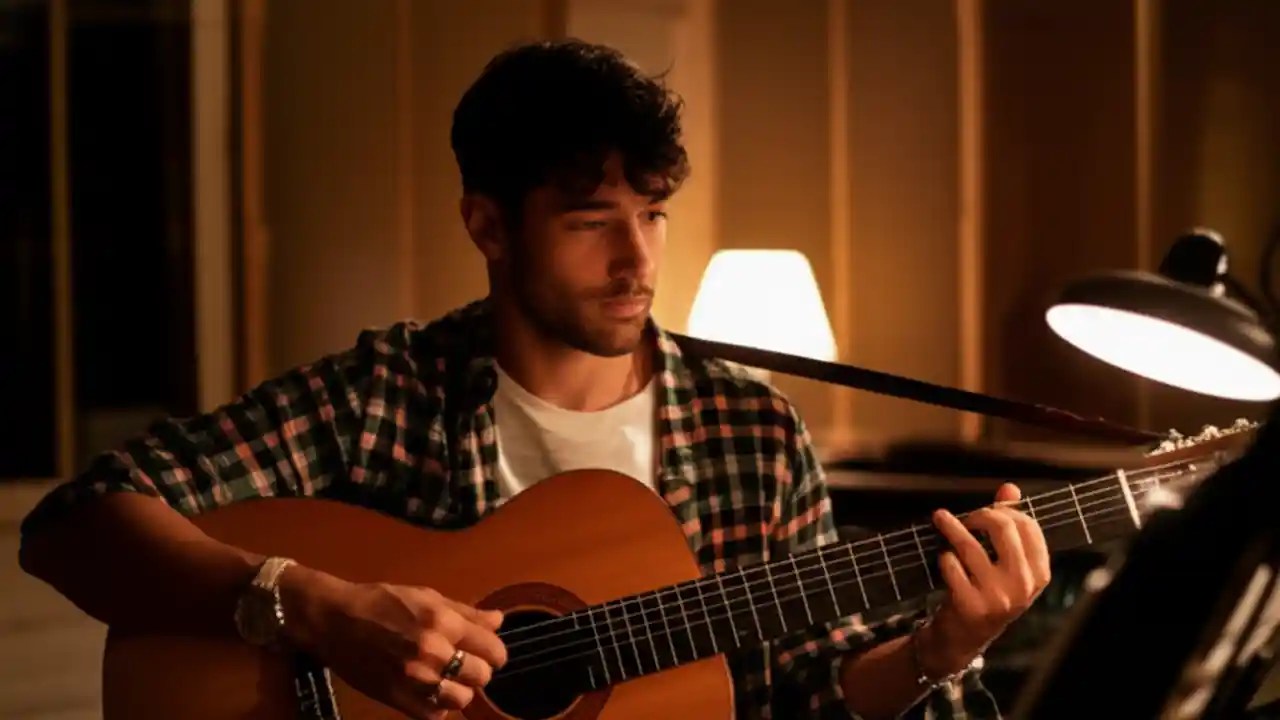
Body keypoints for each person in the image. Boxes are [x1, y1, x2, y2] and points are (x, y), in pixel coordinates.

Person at [18, 39, 1049, 720]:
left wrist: (934, 650)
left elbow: (807, 697)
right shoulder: (384, 397)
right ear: (487, 225)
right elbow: (76, 521)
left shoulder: (752, 435)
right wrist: (312, 609)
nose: (638, 263)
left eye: (650, 216)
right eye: (591, 221)